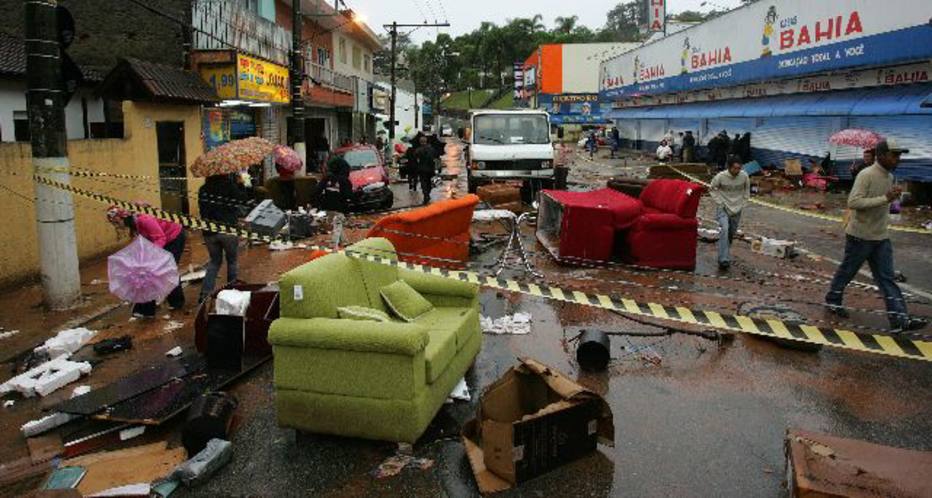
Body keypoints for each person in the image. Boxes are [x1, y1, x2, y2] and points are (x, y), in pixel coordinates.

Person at [825, 139, 927, 333]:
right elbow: (853, 202)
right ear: (881, 156)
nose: (898, 159)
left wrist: (895, 200)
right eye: (894, 155)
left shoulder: (889, 177)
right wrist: (885, 198)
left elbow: (887, 205)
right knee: (848, 271)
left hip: (880, 237)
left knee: (887, 279)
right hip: (860, 236)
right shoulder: (866, 175)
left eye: (899, 155)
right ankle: (833, 299)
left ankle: (900, 320)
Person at [106, 205, 186, 317]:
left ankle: (177, 301)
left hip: (174, 237)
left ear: (123, 217)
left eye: (116, 222)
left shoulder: (144, 219)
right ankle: (146, 309)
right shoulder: (134, 222)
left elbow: (160, 237)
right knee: (146, 273)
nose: (116, 226)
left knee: (167, 270)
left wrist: (151, 255)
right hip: (159, 239)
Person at [198, 174, 248, 303]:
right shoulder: (229, 186)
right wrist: (240, 184)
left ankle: (205, 294)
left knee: (214, 262)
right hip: (228, 230)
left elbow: (202, 210)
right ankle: (231, 291)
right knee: (232, 261)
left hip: (209, 231)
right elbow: (242, 200)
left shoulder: (203, 189)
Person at [710, 155, 750, 271]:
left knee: (731, 233)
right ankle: (724, 259)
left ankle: (724, 250)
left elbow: (747, 189)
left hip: (737, 208)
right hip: (723, 208)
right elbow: (712, 189)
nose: (737, 171)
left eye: (739, 168)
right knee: (725, 229)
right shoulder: (721, 176)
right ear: (729, 167)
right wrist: (720, 202)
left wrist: (744, 202)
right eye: (735, 168)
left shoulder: (744, 176)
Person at [314, 155, 354, 247]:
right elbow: (348, 195)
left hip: (327, 207)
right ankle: (333, 244)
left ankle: (344, 241)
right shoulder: (344, 180)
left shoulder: (327, 178)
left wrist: (318, 203)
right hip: (339, 207)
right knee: (338, 225)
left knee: (338, 224)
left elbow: (317, 190)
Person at [413, 134, 437, 205]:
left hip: (422, 169)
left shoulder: (418, 150)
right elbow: (435, 157)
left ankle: (426, 195)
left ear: (420, 142)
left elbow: (415, 157)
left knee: (423, 183)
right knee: (429, 182)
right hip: (430, 169)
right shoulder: (431, 149)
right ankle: (427, 194)